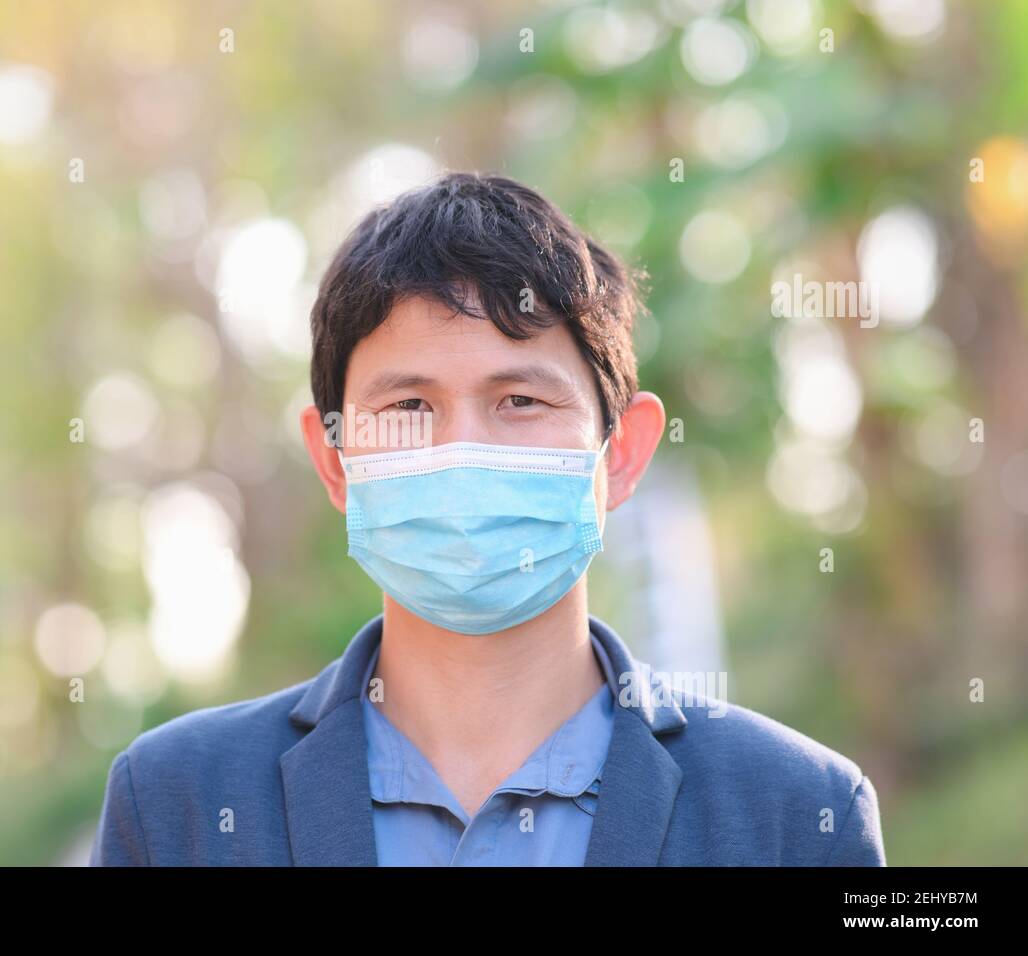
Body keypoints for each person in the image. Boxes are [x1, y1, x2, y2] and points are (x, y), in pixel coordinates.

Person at [90, 171, 886, 866]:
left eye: (521, 400)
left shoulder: (796, 817)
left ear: (622, 452)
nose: (461, 449)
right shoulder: (176, 807)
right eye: (408, 405)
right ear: (334, 458)